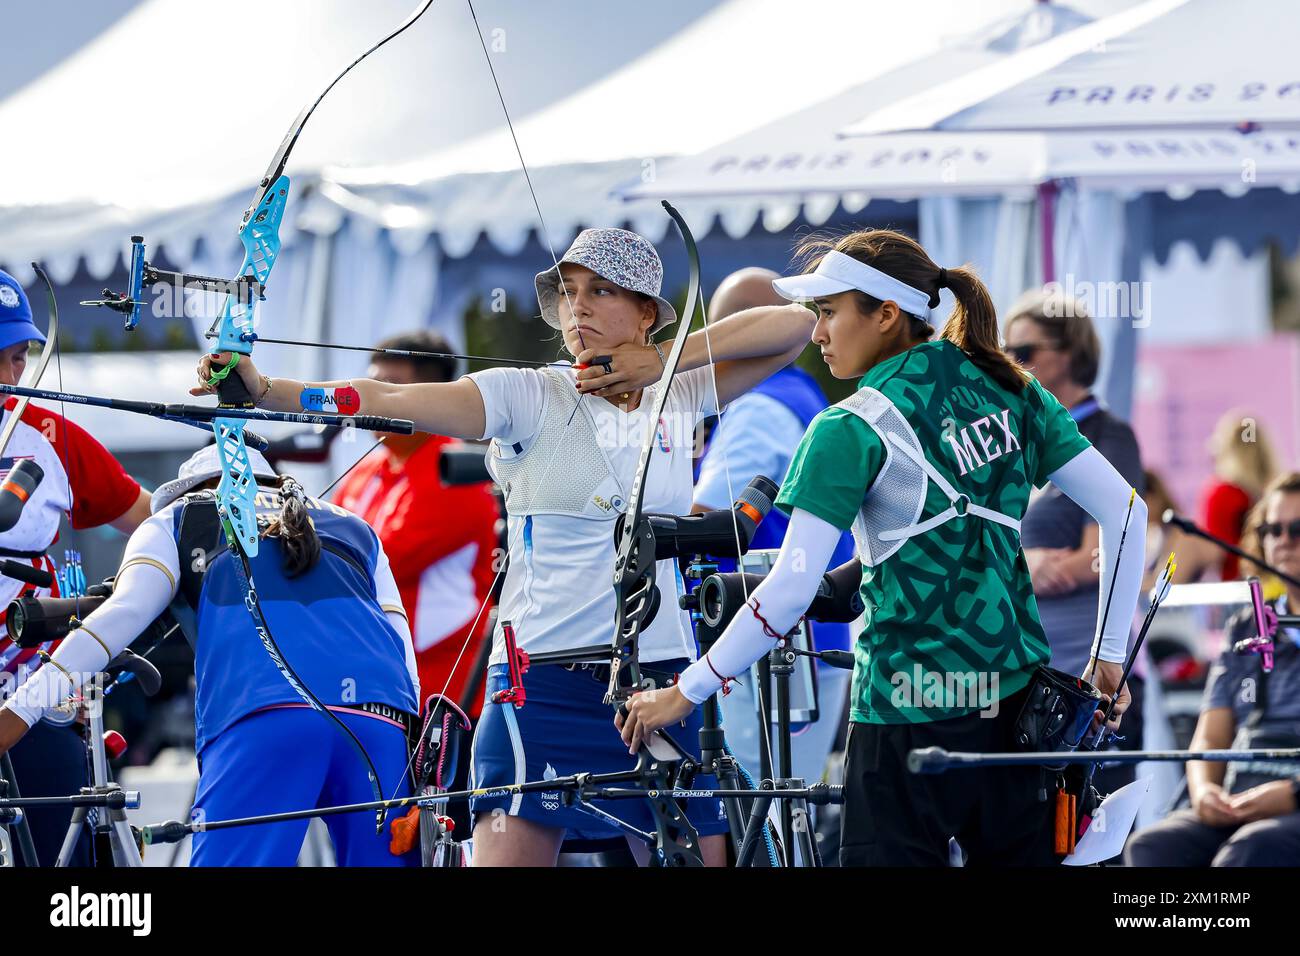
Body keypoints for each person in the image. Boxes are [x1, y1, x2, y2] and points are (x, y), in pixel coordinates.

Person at [188, 226, 814, 867]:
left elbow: (795, 325)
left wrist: (666, 360)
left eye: (602, 292)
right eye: (571, 293)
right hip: (541, 686)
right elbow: (384, 398)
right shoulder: (527, 393)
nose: (580, 308)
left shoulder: (681, 392)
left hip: (660, 683)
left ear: (648, 313)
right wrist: (268, 392)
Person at [618, 229, 1147, 866]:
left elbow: (788, 588)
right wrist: (1108, 656)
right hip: (1010, 704)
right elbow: (1127, 513)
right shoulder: (1015, 389)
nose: (817, 334)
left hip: (903, 713)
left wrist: (685, 691)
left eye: (829, 312)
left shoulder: (848, 425)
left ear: (887, 314)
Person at [0, 445, 422, 866]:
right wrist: (416, 743)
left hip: (265, 715)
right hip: (382, 724)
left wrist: (20, 710)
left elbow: (118, 618)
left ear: (191, 488)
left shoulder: (177, 517)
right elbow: (399, 641)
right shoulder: (355, 524)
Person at [0, 267, 153, 866]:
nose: (12, 375)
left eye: (19, 357)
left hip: (30, 691)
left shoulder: (46, 435)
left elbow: (155, 522)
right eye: (1, 357)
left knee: (75, 867)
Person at [691, 267, 855, 788]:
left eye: (719, 331)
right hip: (809, 637)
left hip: (767, 645)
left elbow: (709, 523)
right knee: (788, 810)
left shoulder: (758, 405)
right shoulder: (801, 392)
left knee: (761, 817)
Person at [1004, 289, 1146, 790]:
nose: (1008, 363)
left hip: (1089, 673)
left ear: (1068, 355)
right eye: (1002, 351)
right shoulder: (1015, 437)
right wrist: (1035, 564)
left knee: (1092, 836)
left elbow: (1100, 554)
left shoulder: (1108, 436)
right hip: (1030, 673)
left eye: (1022, 353)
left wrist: (1031, 568)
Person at [1125, 471, 1300, 867]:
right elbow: (1210, 735)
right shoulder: (1246, 625)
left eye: (1297, 528)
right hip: (1241, 795)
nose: (1283, 541)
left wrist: (1291, 794)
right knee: (1150, 847)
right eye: (1272, 529)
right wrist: (1204, 792)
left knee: (1249, 850)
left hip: (1291, 801)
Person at [331, 330, 498, 715]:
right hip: (384, 681)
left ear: (433, 396)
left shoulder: (453, 471)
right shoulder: (368, 469)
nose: (374, 397)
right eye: (371, 384)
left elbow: (369, 565)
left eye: (391, 387)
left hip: (445, 692)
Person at [1196, 410, 1279, 581]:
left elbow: (1213, 553)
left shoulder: (1221, 493)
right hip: (1277, 585)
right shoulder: (1278, 493)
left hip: (1238, 590)